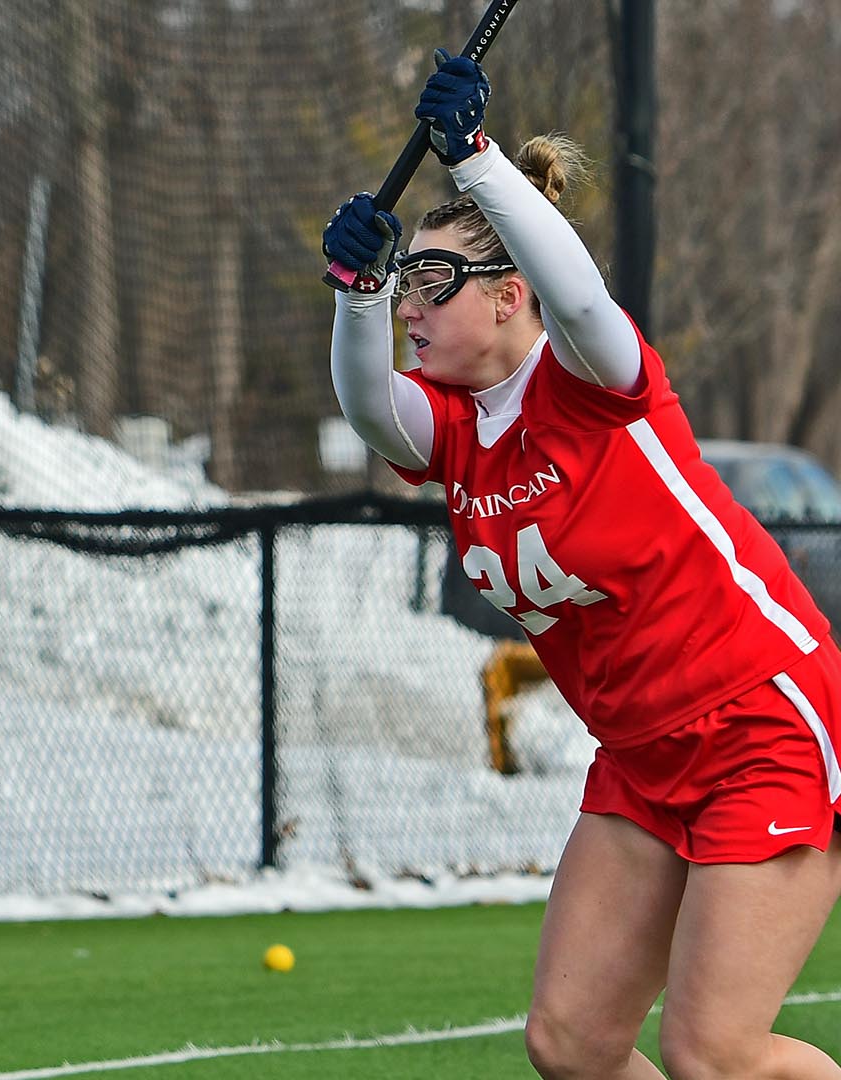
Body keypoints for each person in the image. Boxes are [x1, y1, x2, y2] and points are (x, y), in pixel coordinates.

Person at [324, 51, 841, 1080]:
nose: (412, 307)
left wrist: (473, 157)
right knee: (572, 1044)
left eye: (433, 283)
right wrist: (354, 294)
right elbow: (369, 404)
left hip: (757, 719)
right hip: (640, 754)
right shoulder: (457, 432)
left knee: (716, 1054)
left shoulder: (593, 377)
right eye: (405, 285)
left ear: (510, 295)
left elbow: (581, 289)